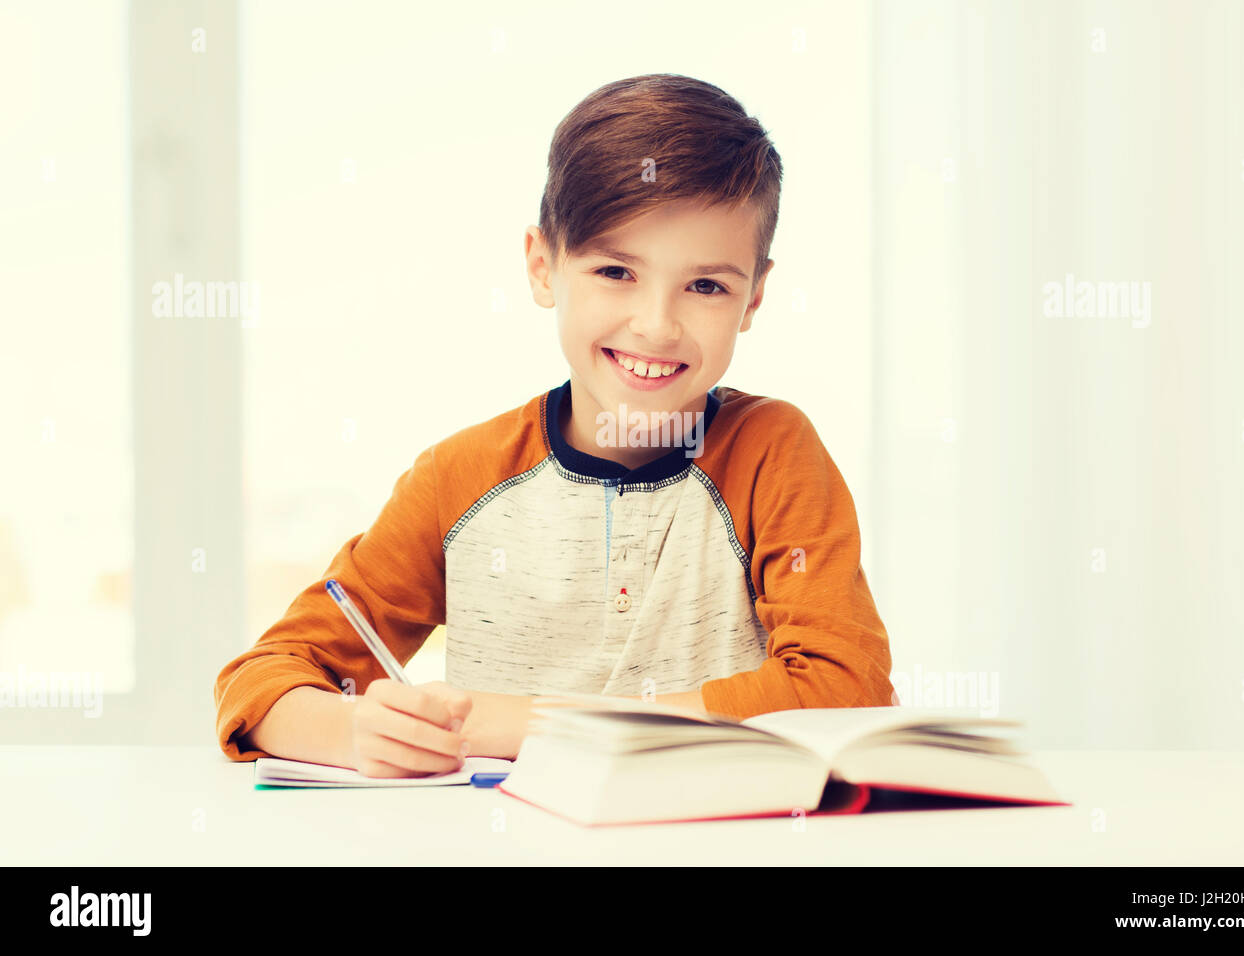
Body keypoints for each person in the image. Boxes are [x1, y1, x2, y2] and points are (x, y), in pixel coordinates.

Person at [214, 73, 894, 777]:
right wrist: (352, 731)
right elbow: (260, 681)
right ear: (543, 267)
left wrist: (516, 722)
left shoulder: (773, 454)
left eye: (706, 286)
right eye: (614, 271)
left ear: (753, 298)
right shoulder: (460, 478)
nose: (657, 326)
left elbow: (845, 689)